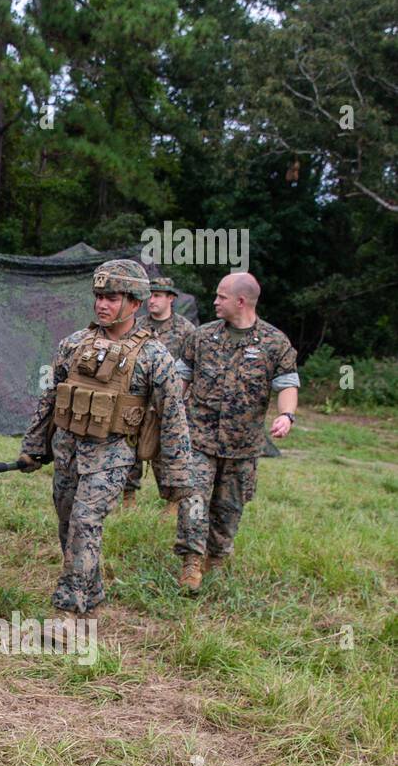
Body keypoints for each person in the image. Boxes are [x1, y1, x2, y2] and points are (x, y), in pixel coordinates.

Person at [18, 260, 193, 619]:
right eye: (98, 296)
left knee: (85, 521)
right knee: (68, 525)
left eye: (111, 297)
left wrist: (176, 477)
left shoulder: (153, 355)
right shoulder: (73, 344)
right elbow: (49, 398)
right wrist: (34, 446)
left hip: (112, 456)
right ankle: (92, 593)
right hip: (67, 451)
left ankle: (66, 611)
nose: (102, 304)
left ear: (135, 302)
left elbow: (173, 416)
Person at [173, 272, 298, 594]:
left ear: (240, 301)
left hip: (243, 445)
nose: (215, 302)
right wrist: (167, 410)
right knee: (194, 498)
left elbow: (286, 384)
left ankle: (216, 556)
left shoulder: (274, 342)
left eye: (221, 297)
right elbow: (181, 378)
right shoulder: (201, 337)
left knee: (229, 507)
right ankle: (191, 561)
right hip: (199, 438)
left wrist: (287, 415)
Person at [123, 276, 196, 510]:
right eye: (149, 295)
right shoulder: (136, 325)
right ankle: (127, 498)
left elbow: (193, 368)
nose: (151, 300)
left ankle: (172, 503)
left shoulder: (186, 330)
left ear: (171, 298)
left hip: (167, 403)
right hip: (136, 400)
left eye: (157, 295)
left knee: (167, 451)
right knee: (129, 447)